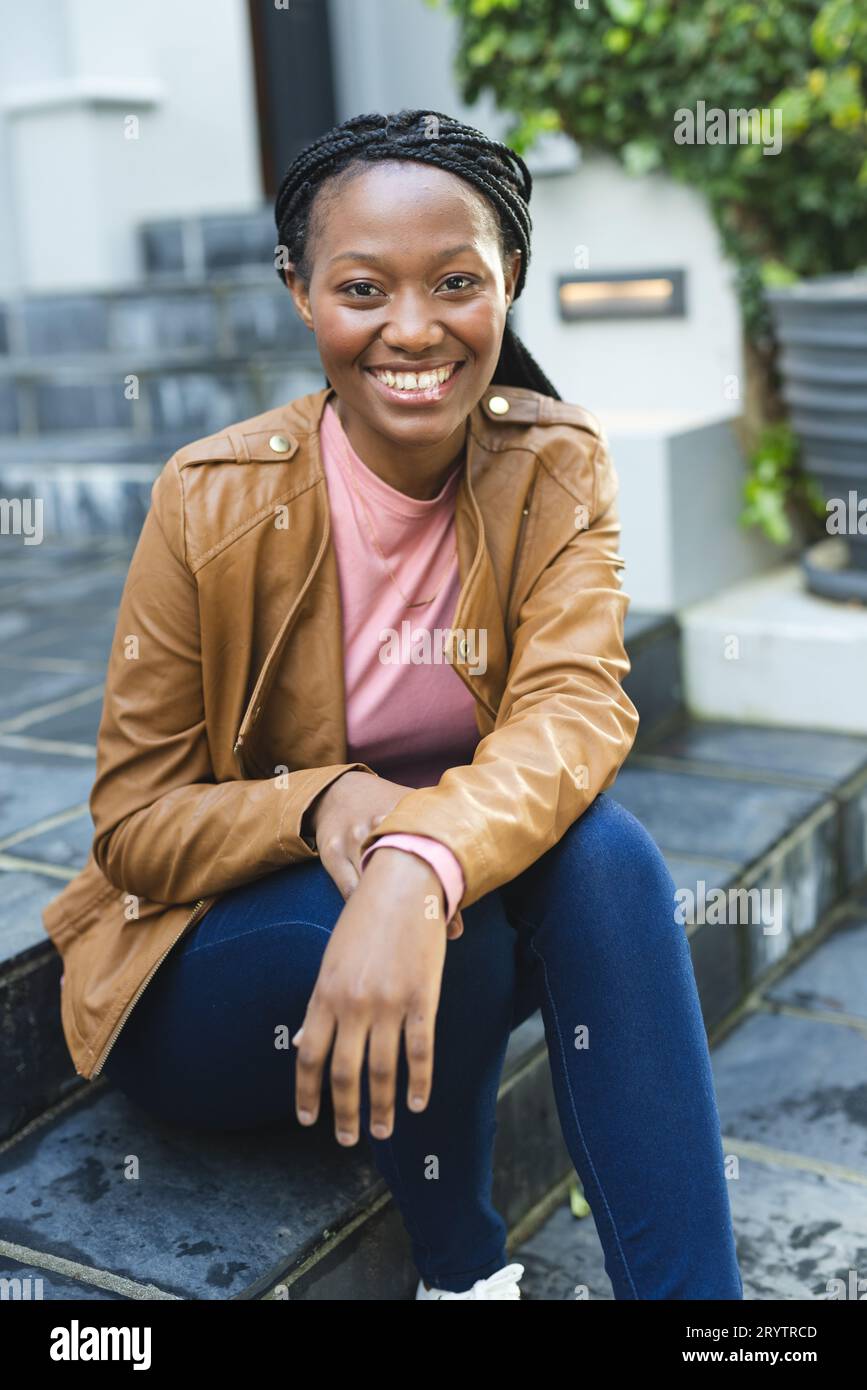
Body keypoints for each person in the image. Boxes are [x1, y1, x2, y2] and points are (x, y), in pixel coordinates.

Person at [44, 109, 743, 1301]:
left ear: (508, 281)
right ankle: (462, 1270)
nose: (413, 330)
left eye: (458, 281)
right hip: (216, 996)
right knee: (436, 875)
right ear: (300, 291)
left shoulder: (554, 462)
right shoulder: (208, 498)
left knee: (606, 856)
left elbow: (577, 711)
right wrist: (325, 803)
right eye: (363, 288)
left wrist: (418, 859)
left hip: (433, 945)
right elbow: (134, 829)